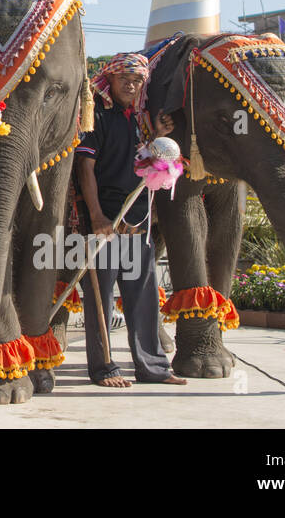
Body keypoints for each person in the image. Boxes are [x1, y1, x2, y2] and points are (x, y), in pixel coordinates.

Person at [75, 53, 185, 388]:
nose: (132, 85)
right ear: (110, 79)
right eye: (125, 78)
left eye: (137, 80)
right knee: (101, 299)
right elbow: (85, 168)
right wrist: (96, 216)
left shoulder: (137, 121)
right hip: (104, 222)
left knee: (144, 296)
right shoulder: (96, 118)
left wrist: (155, 140)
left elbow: (138, 163)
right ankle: (105, 368)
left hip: (137, 222)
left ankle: (152, 367)